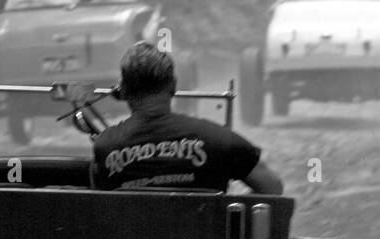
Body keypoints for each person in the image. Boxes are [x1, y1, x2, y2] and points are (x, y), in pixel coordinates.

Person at [91, 42, 283, 195]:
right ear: (173, 86)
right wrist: (228, 214)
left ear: (123, 90)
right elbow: (272, 188)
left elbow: (101, 208)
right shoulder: (219, 139)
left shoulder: (105, 147)